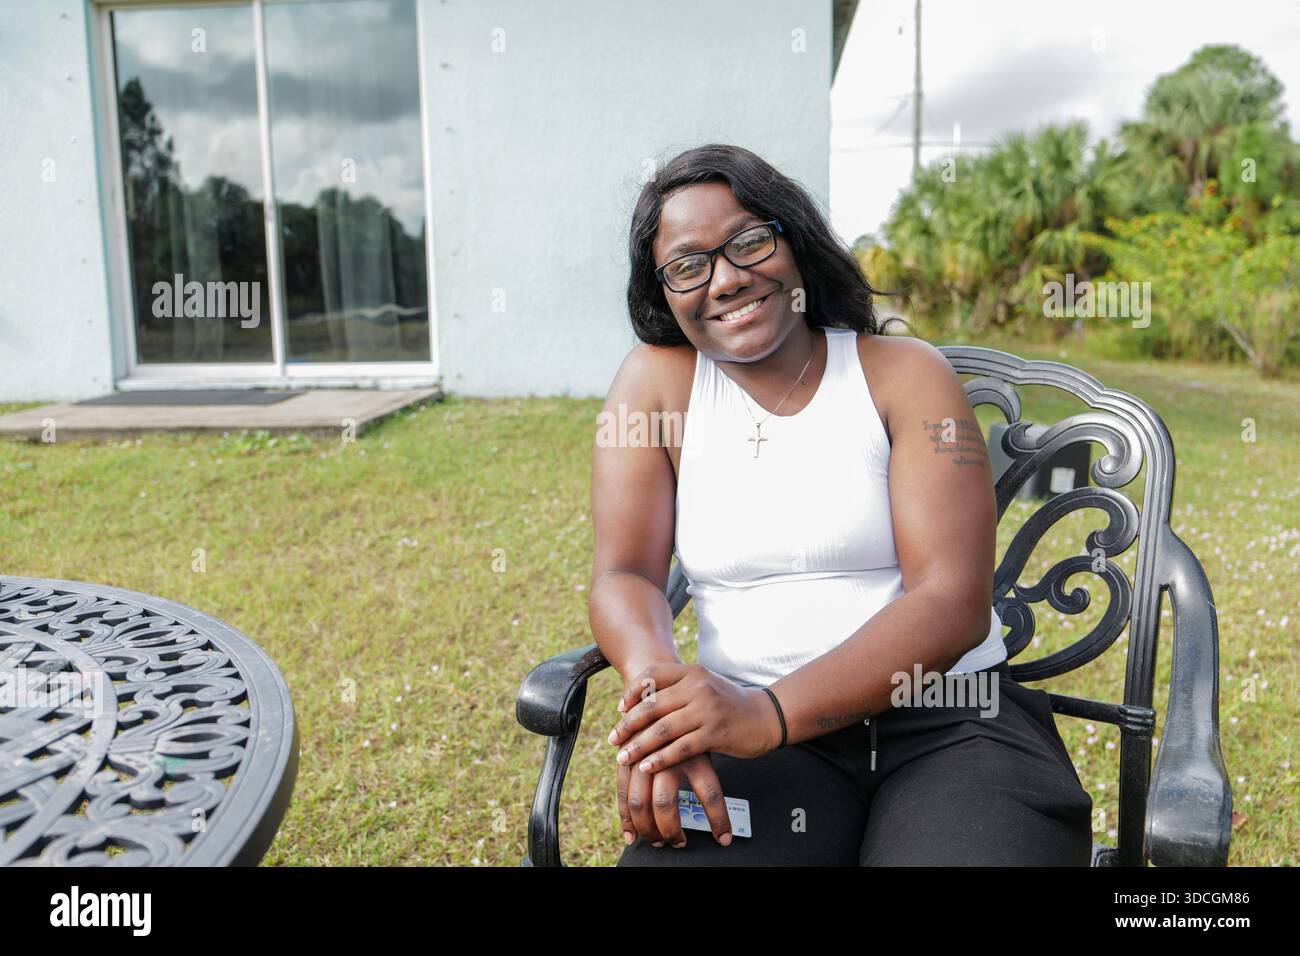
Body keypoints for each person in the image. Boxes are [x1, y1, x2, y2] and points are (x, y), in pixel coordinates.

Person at [587, 144, 1093, 866]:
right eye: (688, 265)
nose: (725, 280)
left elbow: (951, 602)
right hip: (746, 734)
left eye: (749, 241)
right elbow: (625, 576)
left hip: (950, 723)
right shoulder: (655, 385)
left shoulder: (903, 373)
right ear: (662, 289)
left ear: (794, 239)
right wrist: (659, 708)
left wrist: (771, 714)